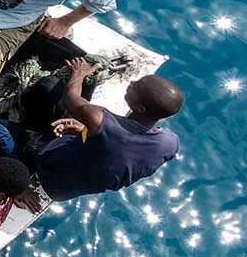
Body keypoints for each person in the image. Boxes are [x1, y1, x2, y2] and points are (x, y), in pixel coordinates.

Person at [36, 59, 183, 200]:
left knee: (48, 86)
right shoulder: (170, 143)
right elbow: (119, 152)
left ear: (141, 108)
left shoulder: (99, 119)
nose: (132, 82)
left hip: (47, 169)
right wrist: (85, 131)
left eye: (137, 86)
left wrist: (79, 73)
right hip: (68, 191)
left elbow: (70, 97)